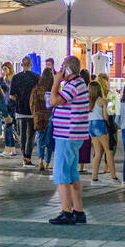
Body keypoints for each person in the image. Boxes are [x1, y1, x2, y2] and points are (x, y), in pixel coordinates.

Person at [46, 56, 89, 225]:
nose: (60, 71)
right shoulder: (80, 84)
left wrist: (56, 82)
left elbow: (53, 101)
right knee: (72, 174)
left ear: (68, 70)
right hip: (75, 134)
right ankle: (78, 211)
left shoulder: (73, 85)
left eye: (63, 68)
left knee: (61, 174)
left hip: (67, 135)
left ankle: (67, 211)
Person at [9, 56, 39, 166]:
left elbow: (11, 96)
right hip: (32, 110)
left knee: (22, 135)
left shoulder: (16, 78)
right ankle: (28, 157)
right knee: (31, 135)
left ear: (22, 65)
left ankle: (24, 156)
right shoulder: (37, 77)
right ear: (31, 65)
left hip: (20, 109)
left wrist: (19, 99)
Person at [87, 80, 118, 183]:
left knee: (97, 152)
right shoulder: (102, 101)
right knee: (108, 151)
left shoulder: (88, 101)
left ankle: (94, 177)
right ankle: (113, 177)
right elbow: (105, 116)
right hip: (100, 125)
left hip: (90, 126)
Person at [30, 69, 54, 171]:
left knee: (40, 138)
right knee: (49, 140)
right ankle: (48, 162)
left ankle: (40, 160)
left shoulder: (36, 89)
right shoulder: (53, 89)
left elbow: (32, 103)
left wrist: (34, 114)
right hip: (50, 117)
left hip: (39, 116)